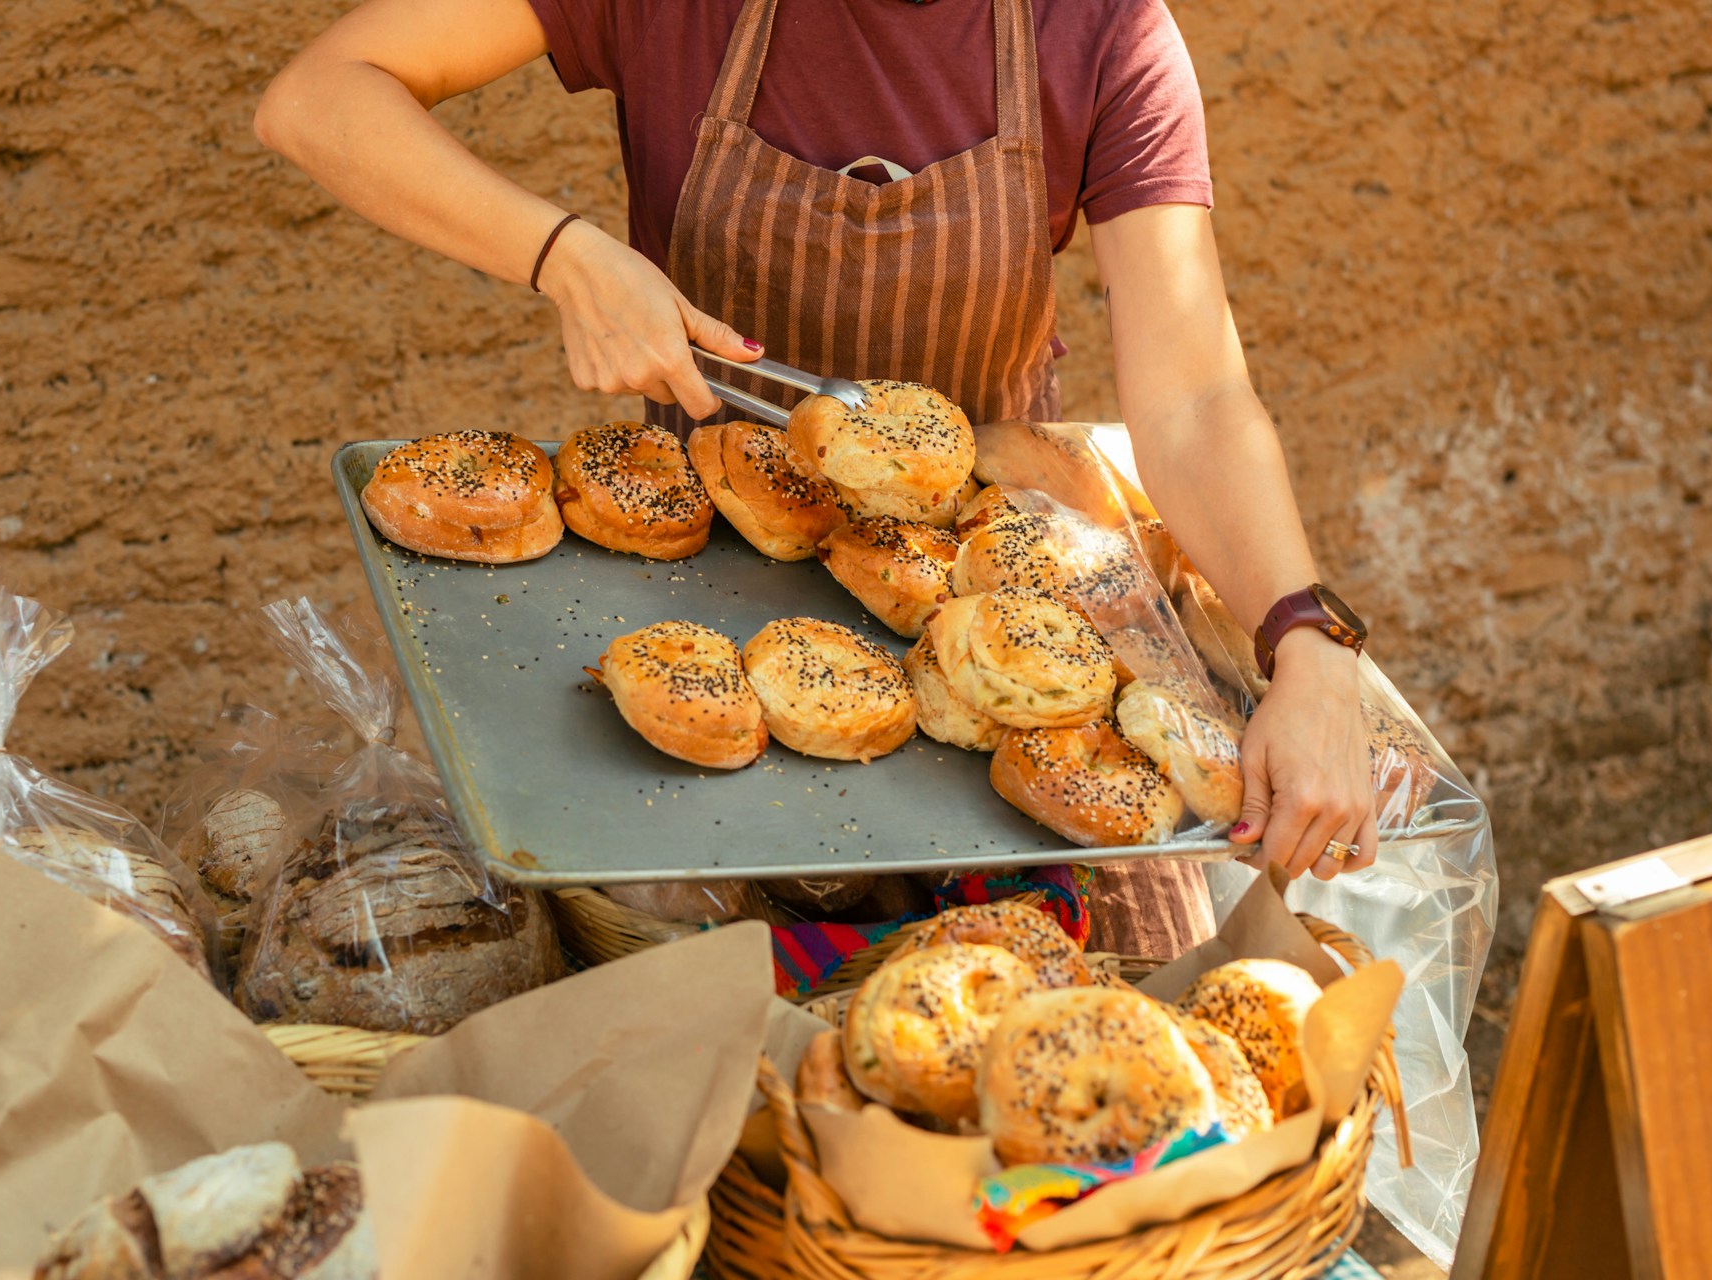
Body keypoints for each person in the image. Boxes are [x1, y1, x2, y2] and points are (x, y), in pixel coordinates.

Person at [252, 0, 1378, 954]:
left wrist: (1307, 645)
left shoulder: (1097, 24)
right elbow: (320, 96)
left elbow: (1194, 400)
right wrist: (566, 256)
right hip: (695, 622)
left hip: (1000, 643)